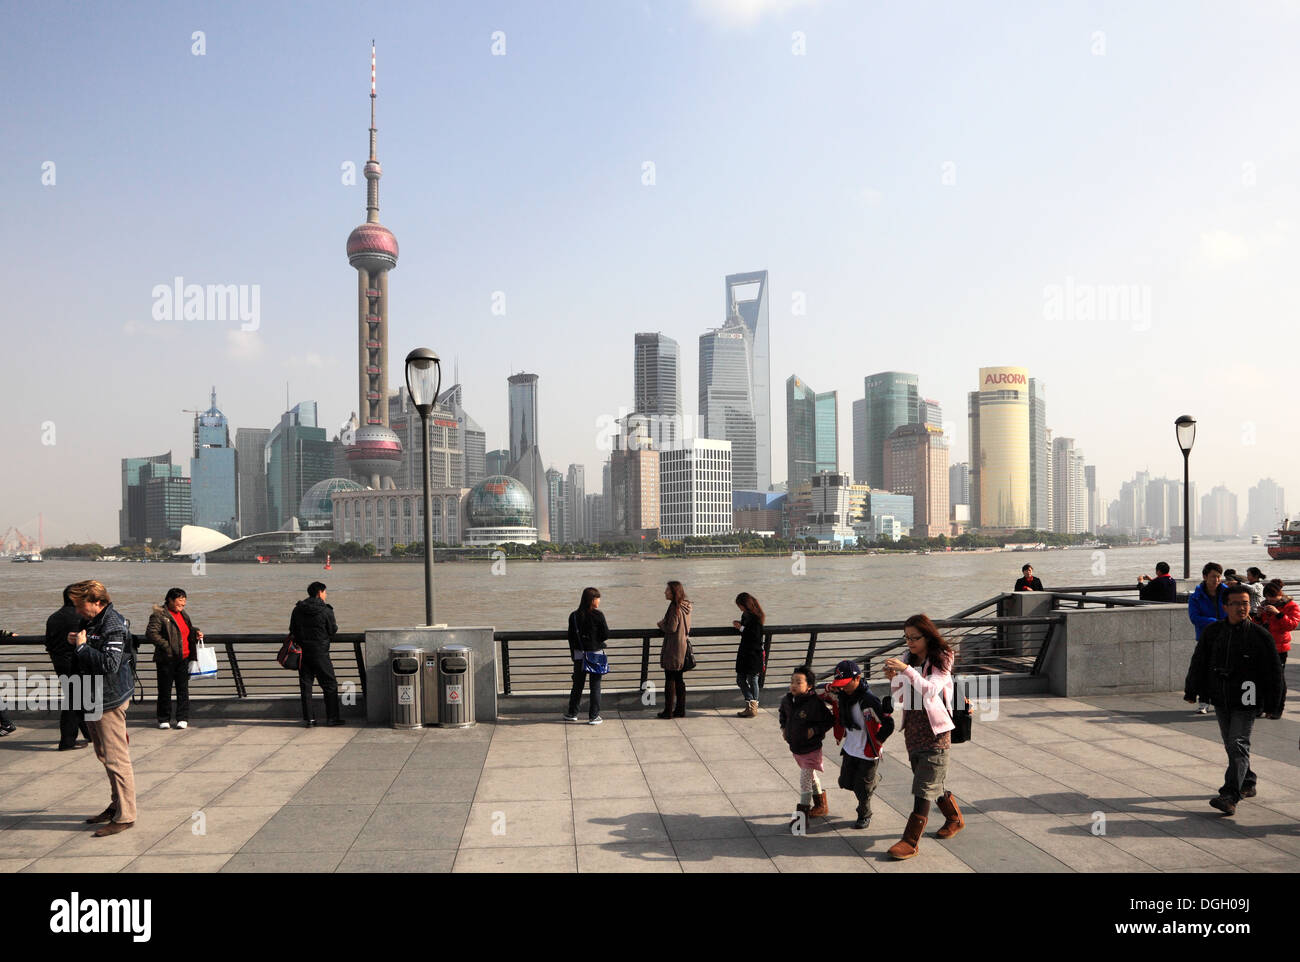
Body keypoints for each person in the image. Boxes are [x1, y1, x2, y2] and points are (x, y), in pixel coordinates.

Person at [1183, 583, 1283, 815]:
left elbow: (1274, 673)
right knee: (1232, 745)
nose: (1241, 608)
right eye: (1236, 604)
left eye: (1246, 603)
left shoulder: (1260, 636)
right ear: (1225, 606)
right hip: (1221, 696)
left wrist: (1274, 705)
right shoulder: (1213, 632)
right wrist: (1192, 691)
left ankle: (1229, 795)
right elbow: (1199, 662)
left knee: (1237, 742)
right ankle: (1247, 781)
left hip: (1247, 698)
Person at [882, 614, 961, 859]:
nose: (909, 643)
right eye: (906, 638)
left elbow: (930, 689)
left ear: (927, 635)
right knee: (928, 780)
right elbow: (902, 697)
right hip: (914, 728)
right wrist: (894, 680)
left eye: (914, 637)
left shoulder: (943, 656)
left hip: (936, 732)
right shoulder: (908, 658)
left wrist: (906, 670)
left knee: (923, 787)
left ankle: (910, 841)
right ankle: (954, 818)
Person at [66, 579, 137, 837]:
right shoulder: (91, 621)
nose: (76, 611)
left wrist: (82, 647)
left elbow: (109, 664)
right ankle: (117, 804)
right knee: (104, 754)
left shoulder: (113, 624)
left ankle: (126, 815)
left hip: (110, 699)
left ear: (97, 601)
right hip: (94, 695)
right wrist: (75, 640)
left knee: (117, 758)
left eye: (79, 605)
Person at [827, 659, 894, 829]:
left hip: (868, 750)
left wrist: (878, 741)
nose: (843, 687)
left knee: (861, 789)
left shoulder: (869, 700)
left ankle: (864, 814)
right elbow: (826, 692)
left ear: (857, 679)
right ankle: (874, 780)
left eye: (846, 683)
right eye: (840, 684)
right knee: (845, 782)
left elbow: (889, 724)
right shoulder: (842, 696)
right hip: (851, 747)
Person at [779, 666, 835, 819]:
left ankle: (801, 817)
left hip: (811, 749)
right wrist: (784, 727)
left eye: (798, 682)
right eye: (792, 682)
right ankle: (820, 805)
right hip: (796, 747)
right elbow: (782, 714)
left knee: (805, 780)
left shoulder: (814, 703)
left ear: (809, 686)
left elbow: (829, 720)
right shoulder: (787, 700)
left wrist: (814, 731)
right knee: (810, 776)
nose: (794, 685)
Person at [145, 588, 202, 730]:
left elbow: (185, 629)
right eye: (180, 599)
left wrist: (196, 632)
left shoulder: (183, 614)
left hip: (184, 657)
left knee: (183, 690)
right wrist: (167, 646)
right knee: (165, 690)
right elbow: (151, 633)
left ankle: (182, 718)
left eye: (184, 600)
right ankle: (163, 719)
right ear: (170, 599)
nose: (183, 603)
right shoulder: (159, 615)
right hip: (167, 658)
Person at [290, 581, 342, 727]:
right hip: (320, 653)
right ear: (319, 592)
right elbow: (332, 630)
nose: (326, 595)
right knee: (330, 684)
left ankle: (310, 720)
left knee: (306, 686)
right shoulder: (326, 610)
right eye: (325, 592)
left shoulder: (298, 610)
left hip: (303, 653)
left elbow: (292, 629)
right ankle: (332, 718)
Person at [45, 584, 91, 749]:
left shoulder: (53, 617)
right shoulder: (80, 618)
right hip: (77, 663)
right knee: (74, 701)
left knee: (77, 699)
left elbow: (48, 644)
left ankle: (89, 733)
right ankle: (67, 741)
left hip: (60, 662)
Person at [565, 587, 609, 725]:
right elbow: (605, 635)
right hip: (595, 654)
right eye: (598, 598)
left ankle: (572, 713)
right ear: (592, 600)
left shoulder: (573, 616)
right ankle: (593, 716)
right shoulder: (598, 615)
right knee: (595, 685)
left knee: (577, 685)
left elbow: (570, 637)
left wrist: (573, 654)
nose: (599, 601)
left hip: (579, 654)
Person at [1187, 563, 1227, 714]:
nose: (1216, 580)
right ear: (1205, 577)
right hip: (1206, 639)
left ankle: (1223, 700)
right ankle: (1204, 702)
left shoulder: (1227, 593)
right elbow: (1194, 617)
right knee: (1205, 671)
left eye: (1218, 576)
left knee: (1226, 670)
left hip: (1227, 637)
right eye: (1213, 577)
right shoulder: (1196, 597)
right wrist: (1216, 623)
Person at [1256, 581, 1298, 713]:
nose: (1269, 600)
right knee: (1262, 677)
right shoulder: (1264, 605)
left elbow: (1291, 625)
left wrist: (1278, 614)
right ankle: (1261, 706)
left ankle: (1277, 708)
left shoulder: (1290, 605)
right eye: (1267, 597)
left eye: (1272, 596)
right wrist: (1257, 616)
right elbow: (1258, 626)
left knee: (1278, 679)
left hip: (1280, 647)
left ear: (1279, 594)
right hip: (1264, 645)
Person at [655, 581, 692, 719]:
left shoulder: (674, 607)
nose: (665, 592)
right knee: (679, 679)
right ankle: (680, 709)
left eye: (667, 590)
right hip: (683, 646)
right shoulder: (686, 606)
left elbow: (671, 627)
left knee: (670, 678)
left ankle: (668, 711)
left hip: (673, 647)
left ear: (674, 592)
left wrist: (661, 624)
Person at [732, 592, 765, 718]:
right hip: (746, 652)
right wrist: (740, 626)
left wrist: (741, 628)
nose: (739, 608)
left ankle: (751, 707)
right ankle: (752, 705)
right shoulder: (746, 615)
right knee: (742, 679)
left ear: (744, 605)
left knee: (752, 679)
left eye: (739, 605)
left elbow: (754, 635)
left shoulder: (756, 618)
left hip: (753, 654)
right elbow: (747, 631)